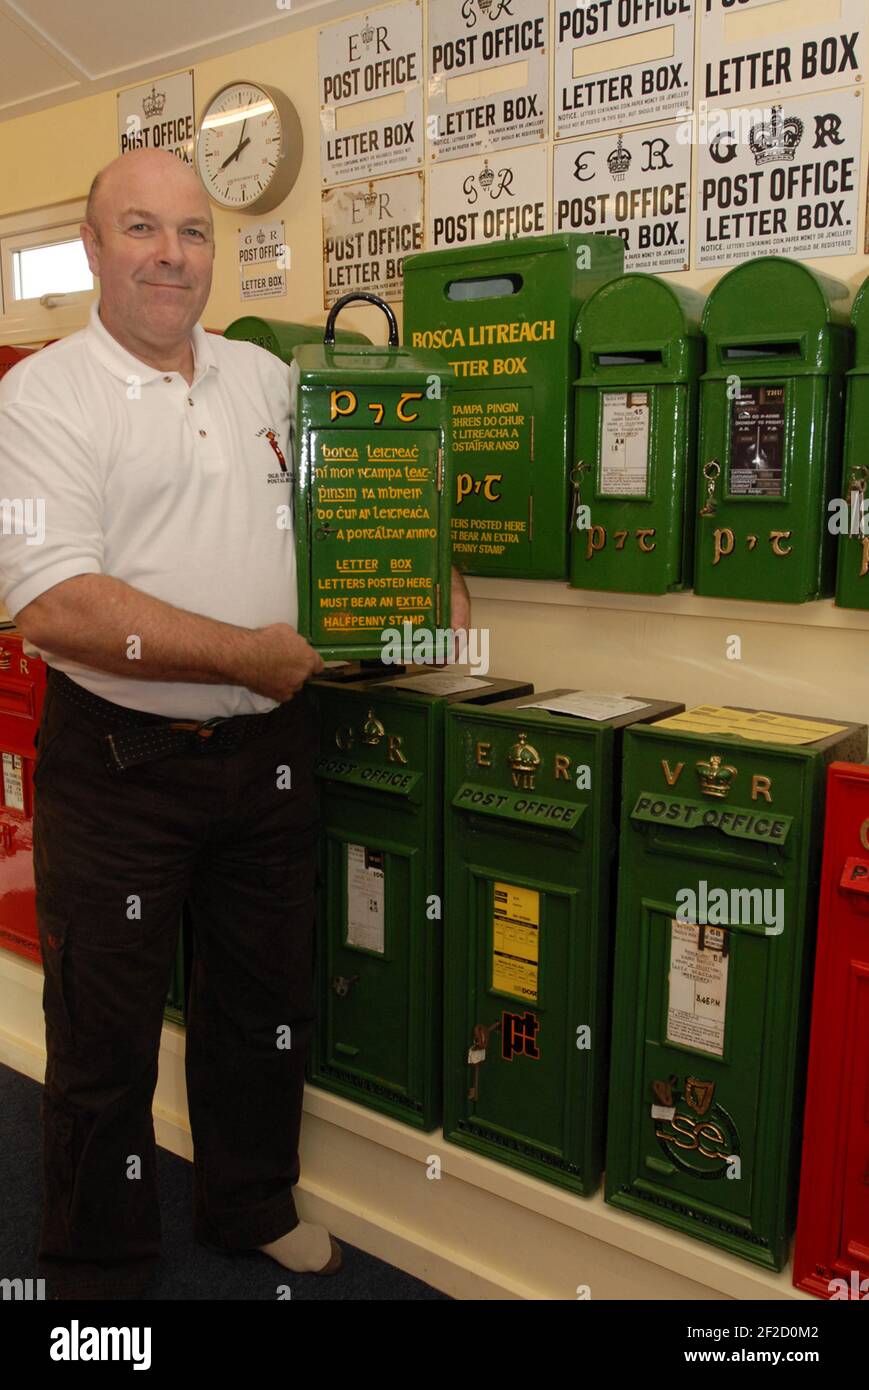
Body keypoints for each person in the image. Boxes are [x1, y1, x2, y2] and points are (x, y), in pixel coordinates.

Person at [0, 148, 471, 1300]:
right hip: (117, 761)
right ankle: (95, 1264)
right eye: (141, 229)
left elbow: (359, 514)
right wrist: (250, 655)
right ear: (95, 248)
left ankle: (249, 1201)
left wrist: (423, 587)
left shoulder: (267, 385)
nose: (171, 254)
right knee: (102, 1037)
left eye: (193, 232)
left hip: (266, 752)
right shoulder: (38, 398)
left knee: (264, 1004)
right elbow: (56, 603)